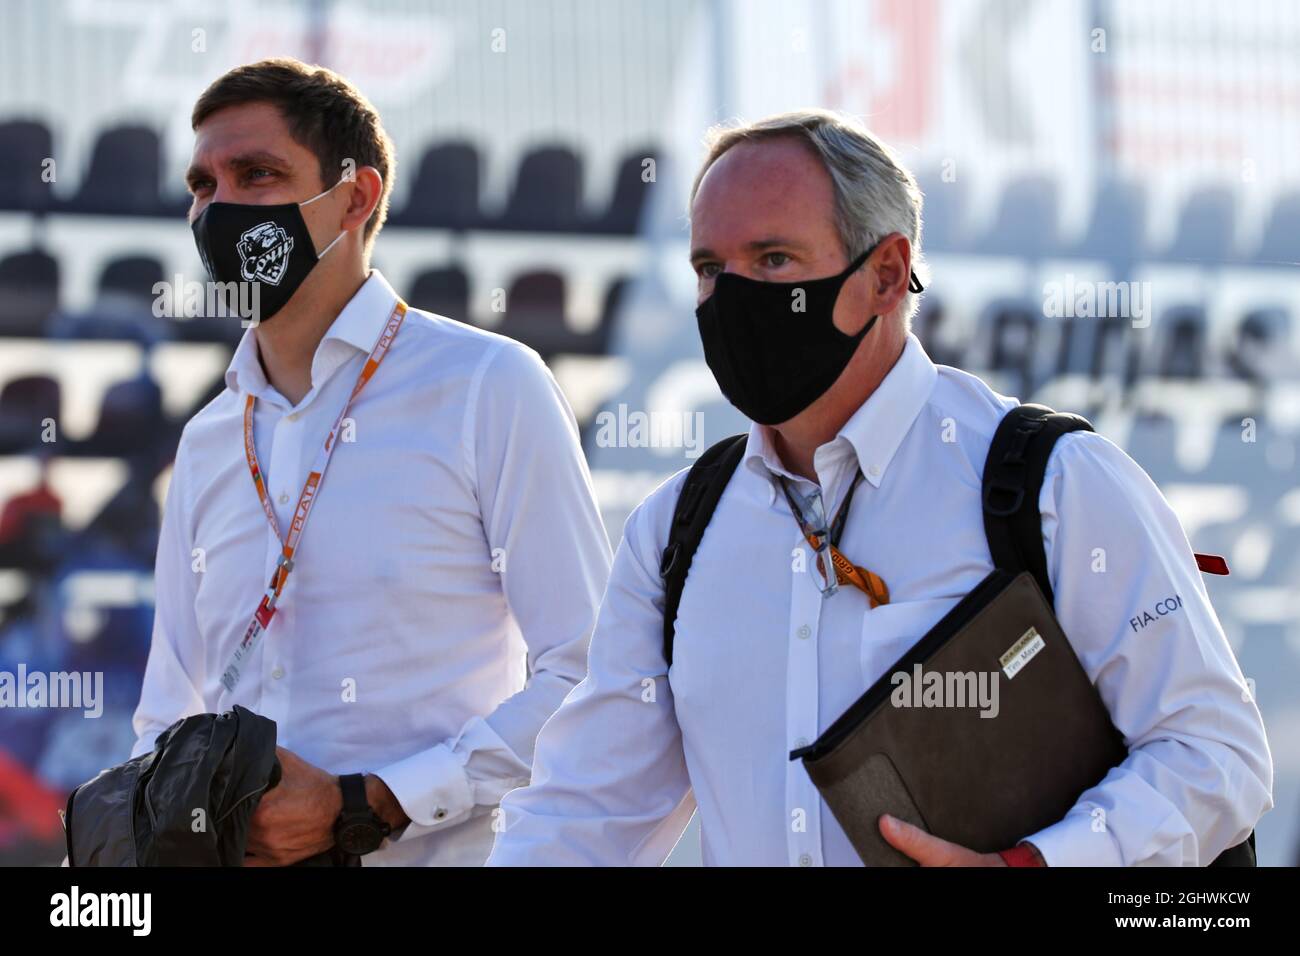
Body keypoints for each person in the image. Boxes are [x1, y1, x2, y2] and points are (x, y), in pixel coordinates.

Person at [486, 110, 1273, 866]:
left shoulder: (1054, 483)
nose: (731, 299)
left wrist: (1037, 864)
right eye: (709, 268)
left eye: (773, 261)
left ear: (888, 274)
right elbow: (582, 814)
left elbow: (1216, 755)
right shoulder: (674, 534)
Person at [131, 58, 612, 866]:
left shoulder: (487, 386)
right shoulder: (211, 436)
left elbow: (589, 679)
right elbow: (167, 712)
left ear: (356, 197)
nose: (219, 207)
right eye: (204, 185)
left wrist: (372, 803)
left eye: (258, 174)